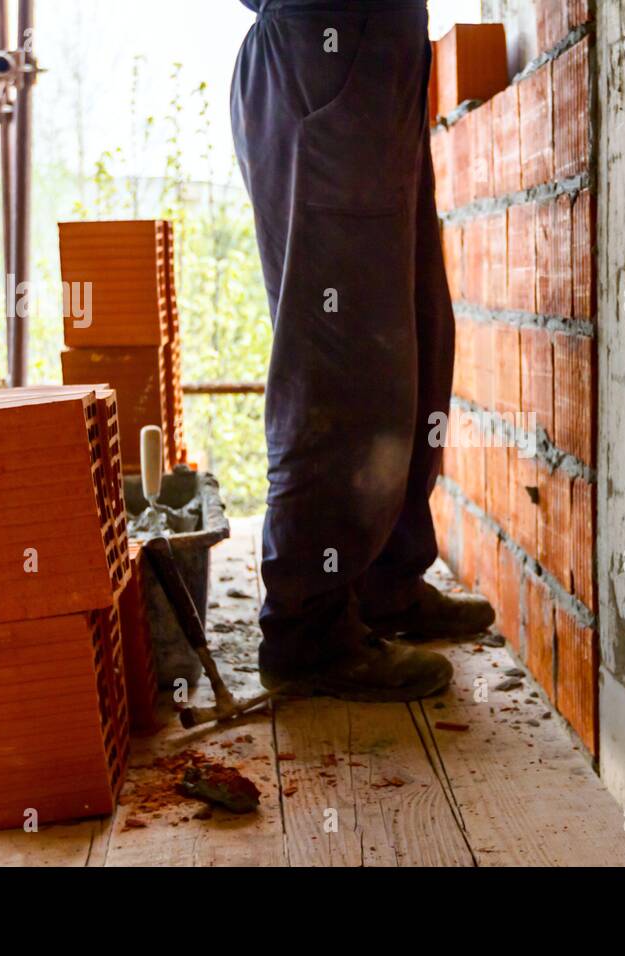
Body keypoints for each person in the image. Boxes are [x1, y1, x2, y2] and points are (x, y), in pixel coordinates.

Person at [230, 0, 494, 701]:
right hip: (329, 50)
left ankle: (383, 581)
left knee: (413, 334)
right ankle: (307, 631)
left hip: (373, 57)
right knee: (343, 357)